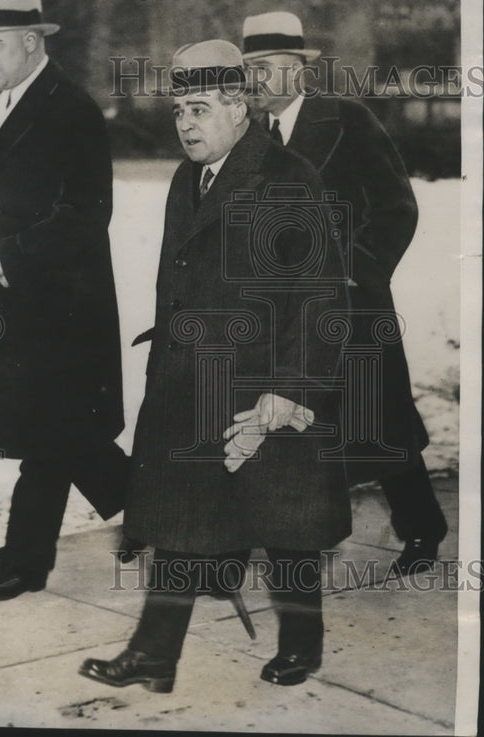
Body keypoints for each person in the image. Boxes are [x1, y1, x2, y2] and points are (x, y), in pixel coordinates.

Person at [80, 40, 351, 692]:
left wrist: (288, 393)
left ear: (238, 107)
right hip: (193, 382)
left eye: (199, 109)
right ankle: (154, 654)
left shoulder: (287, 178)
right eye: (178, 111)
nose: (185, 124)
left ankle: (303, 645)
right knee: (182, 519)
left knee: (286, 529)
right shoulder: (187, 179)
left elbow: (321, 296)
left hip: (264, 387)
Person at [241, 11, 448, 575]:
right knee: (300, 423)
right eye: (248, 68)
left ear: (298, 69)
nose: (254, 79)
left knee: (381, 421)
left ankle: (422, 531)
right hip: (285, 312)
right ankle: (303, 536)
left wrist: (357, 269)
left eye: (265, 66)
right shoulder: (249, 136)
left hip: (353, 303)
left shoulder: (347, 119)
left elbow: (397, 206)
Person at [0, 0, 129, 600]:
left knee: (54, 438)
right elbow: (17, 201)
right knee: (63, 438)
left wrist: (9, 255)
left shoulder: (72, 109)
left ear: (31, 41)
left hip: (63, 311)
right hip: (20, 301)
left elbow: (86, 214)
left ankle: (23, 564)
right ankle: (177, 521)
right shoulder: (2, 106)